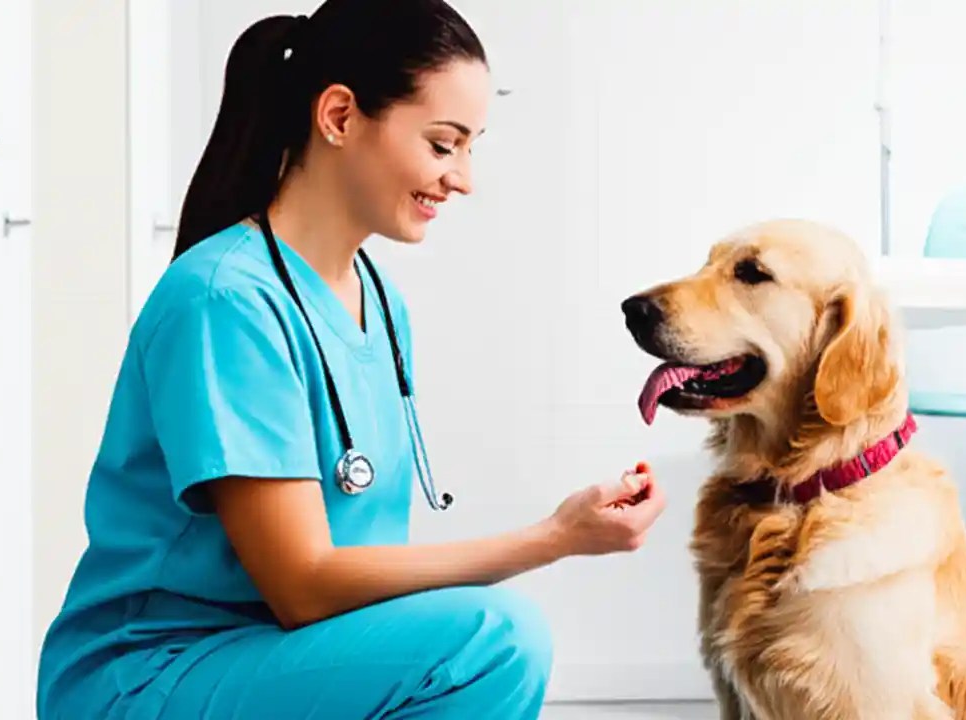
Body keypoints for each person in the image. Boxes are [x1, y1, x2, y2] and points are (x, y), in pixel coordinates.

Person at [35, 1, 668, 718]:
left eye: (470, 148)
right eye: (442, 144)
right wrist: (553, 538)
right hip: (152, 676)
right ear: (338, 116)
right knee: (494, 640)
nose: (463, 178)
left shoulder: (379, 302)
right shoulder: (226, 301)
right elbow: (303, 583)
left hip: (275, 660)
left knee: (485, 649)